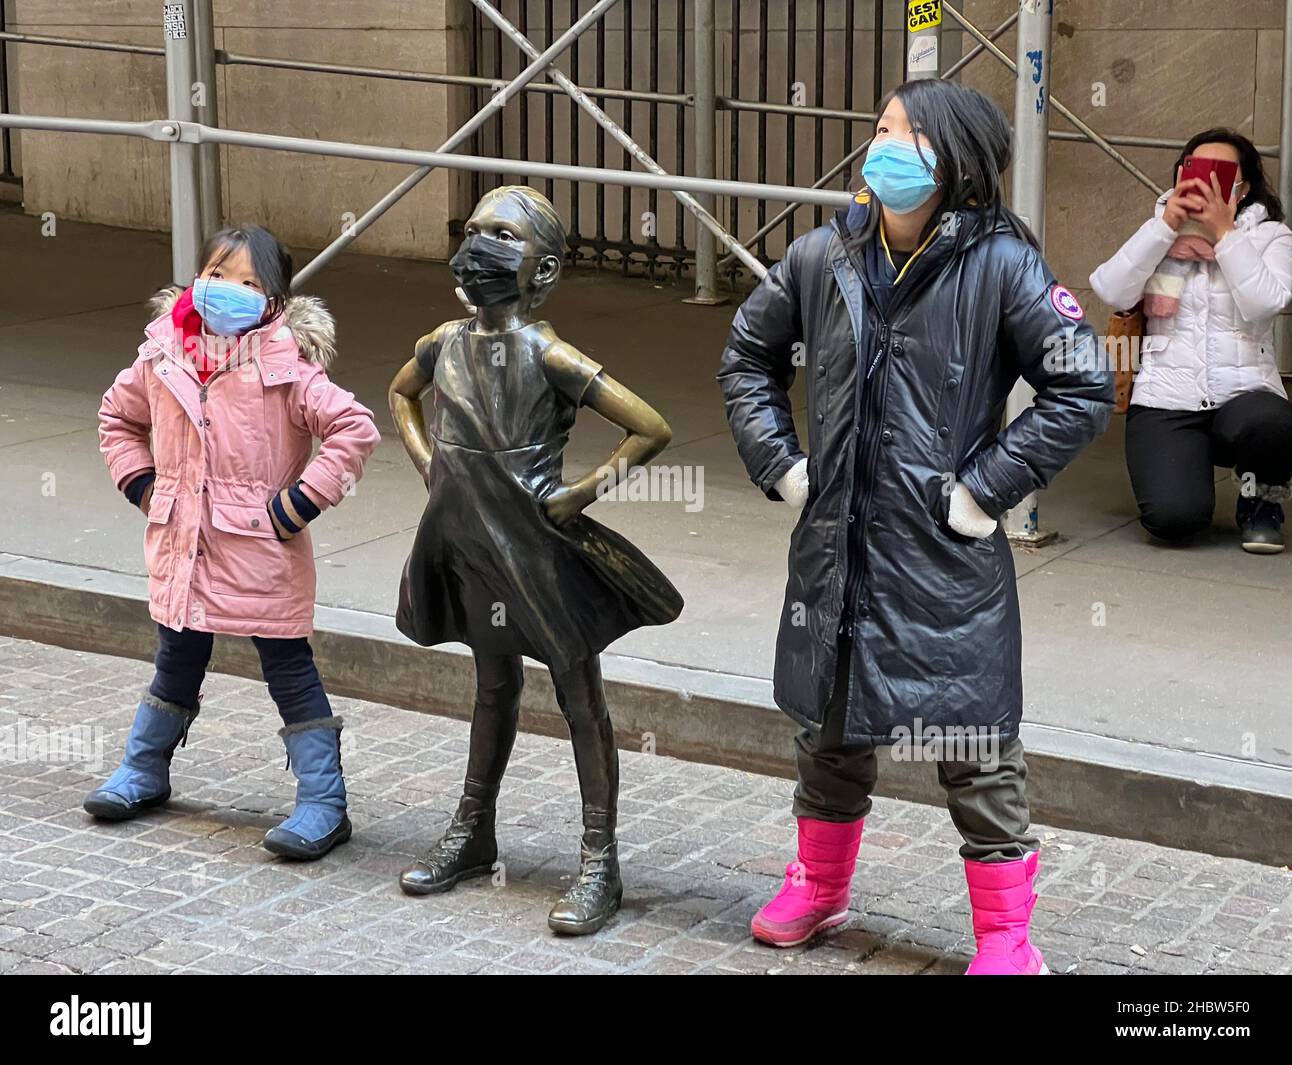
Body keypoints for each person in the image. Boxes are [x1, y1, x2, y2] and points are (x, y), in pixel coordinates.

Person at [717, 80, 1111, 974]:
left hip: (944, 559)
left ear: (950, 156)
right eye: (880, 127)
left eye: (900, 131)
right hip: (838, 554)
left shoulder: (1003, 265)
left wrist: (984, 490)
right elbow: (747, 356)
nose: (880, 143)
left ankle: (1008, 938)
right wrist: (784, 466)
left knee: (976, 749)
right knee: (828, 727)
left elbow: (1082, 383)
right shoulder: (824, 256)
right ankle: (820, 887)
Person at [388, 186, 683, 935]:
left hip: (534, 550)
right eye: (478, 228)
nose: (483, 244)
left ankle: (599, 860)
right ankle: (473, 827)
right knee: (491, 685)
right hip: (465, 540)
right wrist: (430, 463)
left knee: (580, 696)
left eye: (505, 236)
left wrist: (579, 492)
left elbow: (650, 426)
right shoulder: (443, 342)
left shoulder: (547, 351)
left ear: (544, 271)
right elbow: (400, 394)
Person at [88, 225, 380, 860]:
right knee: (176, 657)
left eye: (251, 282)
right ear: (199, 277)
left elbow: (354, 428)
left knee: (288, 670)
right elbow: (117, 418)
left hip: (260, 548)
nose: (230, 291)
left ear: (275, 299)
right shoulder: (162, 353)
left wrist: (296, 506)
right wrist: (142, 484)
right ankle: (144, 770)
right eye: (220, 275)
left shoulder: (285, 365)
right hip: (181, 543)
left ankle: (324, 803)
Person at [1091, 128, 1292, 553]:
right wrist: (1165, 227)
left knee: (1273, 425)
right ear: (1180, 178)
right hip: (1167, 397)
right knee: (1173, 521)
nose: (1206, 183)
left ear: (1242, 188)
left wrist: (1226, 236)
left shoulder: (1270, 237)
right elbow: (1110, 290)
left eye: (1222, 174)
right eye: (1195, 171)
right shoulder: (1158, 231)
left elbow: (1266, 303)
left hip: (1245, 395)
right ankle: (1187, 469)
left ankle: (1261, 503)